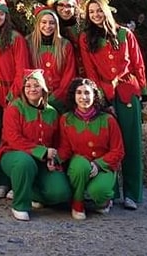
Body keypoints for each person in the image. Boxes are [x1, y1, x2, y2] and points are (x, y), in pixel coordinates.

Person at [79, 0, 147, 210]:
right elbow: (90, 71)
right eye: (91, 12)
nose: (96, 15)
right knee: (106, 144)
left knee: (131, 143)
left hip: (128, 92)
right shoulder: (86, 39)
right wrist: (99, 98)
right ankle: (110, 192)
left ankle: (132, 194)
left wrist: (143, 94)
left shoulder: (125, 34)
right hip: (104, 94)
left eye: (99, 11)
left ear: (106, 11)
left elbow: (138, 64)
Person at [0, 69, 71, 221]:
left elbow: (60, 142)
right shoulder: (14, 108)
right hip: (14, 155)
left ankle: (26, 190)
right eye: (28, 86)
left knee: (60, 192)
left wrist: (55, 159)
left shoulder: (52, 113)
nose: (32, 89)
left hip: (42, 162)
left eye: (36, 85)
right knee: (24, 163)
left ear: (43, 88)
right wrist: (41, 151)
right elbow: (13, 138)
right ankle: (20, 205)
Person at [0, 0, 30, 198]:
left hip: (11, 93)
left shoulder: (16, 39)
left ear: (6, 16)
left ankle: (8, 181)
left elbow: (22, 69)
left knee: (10, 138)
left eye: (1, 14)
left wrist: (14, 94)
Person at [58, 77, 125, 220]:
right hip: (79, 164)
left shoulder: (108, 120)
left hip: (103, 166)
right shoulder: (66, 119)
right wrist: (55, 159)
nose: (83, 97)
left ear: (95, 96)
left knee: (99, 192)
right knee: (80, 165)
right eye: (79, 93)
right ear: (73, 96)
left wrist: (99, 164)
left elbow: (118, 151)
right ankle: (77, 203)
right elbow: (66, 148)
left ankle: (104, 201)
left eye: (87, 93)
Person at [28, 5, 76, 113]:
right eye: (44, 22)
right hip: (36, 99)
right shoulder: (29, 44)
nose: (48, 26)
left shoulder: (65, 45)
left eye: (52, 23)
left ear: (56, 25)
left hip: (60, 100)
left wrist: (54, 98)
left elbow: (69, 75)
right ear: (38, 24)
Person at [54, 0, 85, 77]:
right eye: (61, 5)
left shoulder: (83, 25)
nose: (65, 9)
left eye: (69, 6)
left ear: (74, 8)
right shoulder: (51, 24)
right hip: (63, 73)